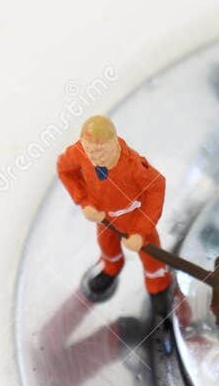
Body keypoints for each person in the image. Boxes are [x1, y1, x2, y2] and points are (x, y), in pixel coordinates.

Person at [55, 115, 173, 322]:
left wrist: (140, 230)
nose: (95, 157)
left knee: (151, 256)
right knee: (106, 245)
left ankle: (159, 289)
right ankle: (111, 269)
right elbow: (65, 169)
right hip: (104, 216)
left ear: (114, 142)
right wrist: (84, 201)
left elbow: (156, 187)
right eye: (90, 151)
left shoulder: (133, 165)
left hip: (133, 217)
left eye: (101, 151)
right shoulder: (80, 152)